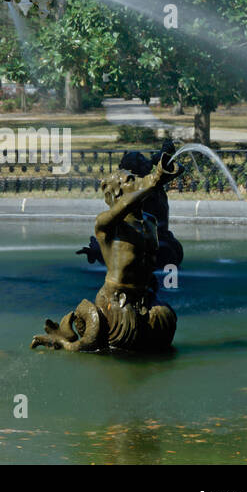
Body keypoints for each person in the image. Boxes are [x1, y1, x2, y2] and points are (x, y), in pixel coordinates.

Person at [34, 149, 182, 352]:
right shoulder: (106, 225)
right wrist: (154, 180)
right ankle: (63, 341)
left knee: (164, 331)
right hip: (116, 305)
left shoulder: (150, 222)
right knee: (98, 345)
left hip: (147, 300)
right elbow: (127, 204)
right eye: (131, 180)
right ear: (117, 193)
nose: (139, 180)